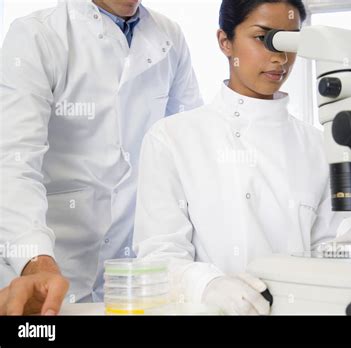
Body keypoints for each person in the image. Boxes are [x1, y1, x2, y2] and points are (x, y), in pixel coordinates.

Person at [133, 0, 351, 315]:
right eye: (264, 38)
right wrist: (206, 285)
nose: (280, 57)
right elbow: (158, 258)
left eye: (290, 40)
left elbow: (323, 250)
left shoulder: (318, 144)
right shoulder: (172, 138)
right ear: (224, 42)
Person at [0, 0, 202, 315]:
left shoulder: (168, 36)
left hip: (131, 276)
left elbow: (190, 151)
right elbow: (14, 165)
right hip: (46, 268)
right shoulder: (37, 34)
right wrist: (36, 261)